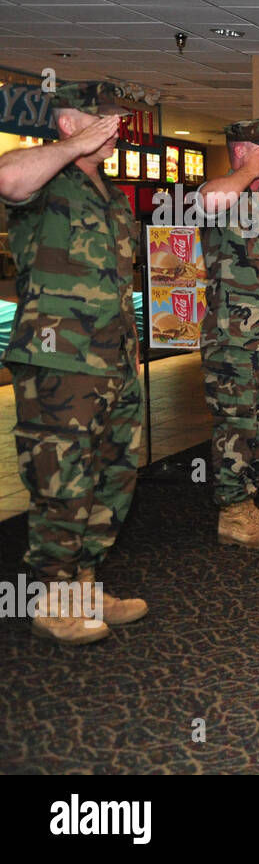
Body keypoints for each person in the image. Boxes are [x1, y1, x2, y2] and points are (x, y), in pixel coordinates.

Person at [0, 81, 147, 643]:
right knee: (62, 479)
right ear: (68, 124)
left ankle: (86, 583)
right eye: (102, 120)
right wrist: (71, 145)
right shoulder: (46, 175)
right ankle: (51, 597)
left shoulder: (106, 190)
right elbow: (9, 179)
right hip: (60, 362)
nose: (115, 129)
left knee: (115, 473)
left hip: (113, 359)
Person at [197, 118, 259, 550]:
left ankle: (247, 502)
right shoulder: (221, 192)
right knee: (235, 426)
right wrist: (246, 171)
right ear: (241, 151)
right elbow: (205, 202)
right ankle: (232, 513)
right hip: (233, 340)